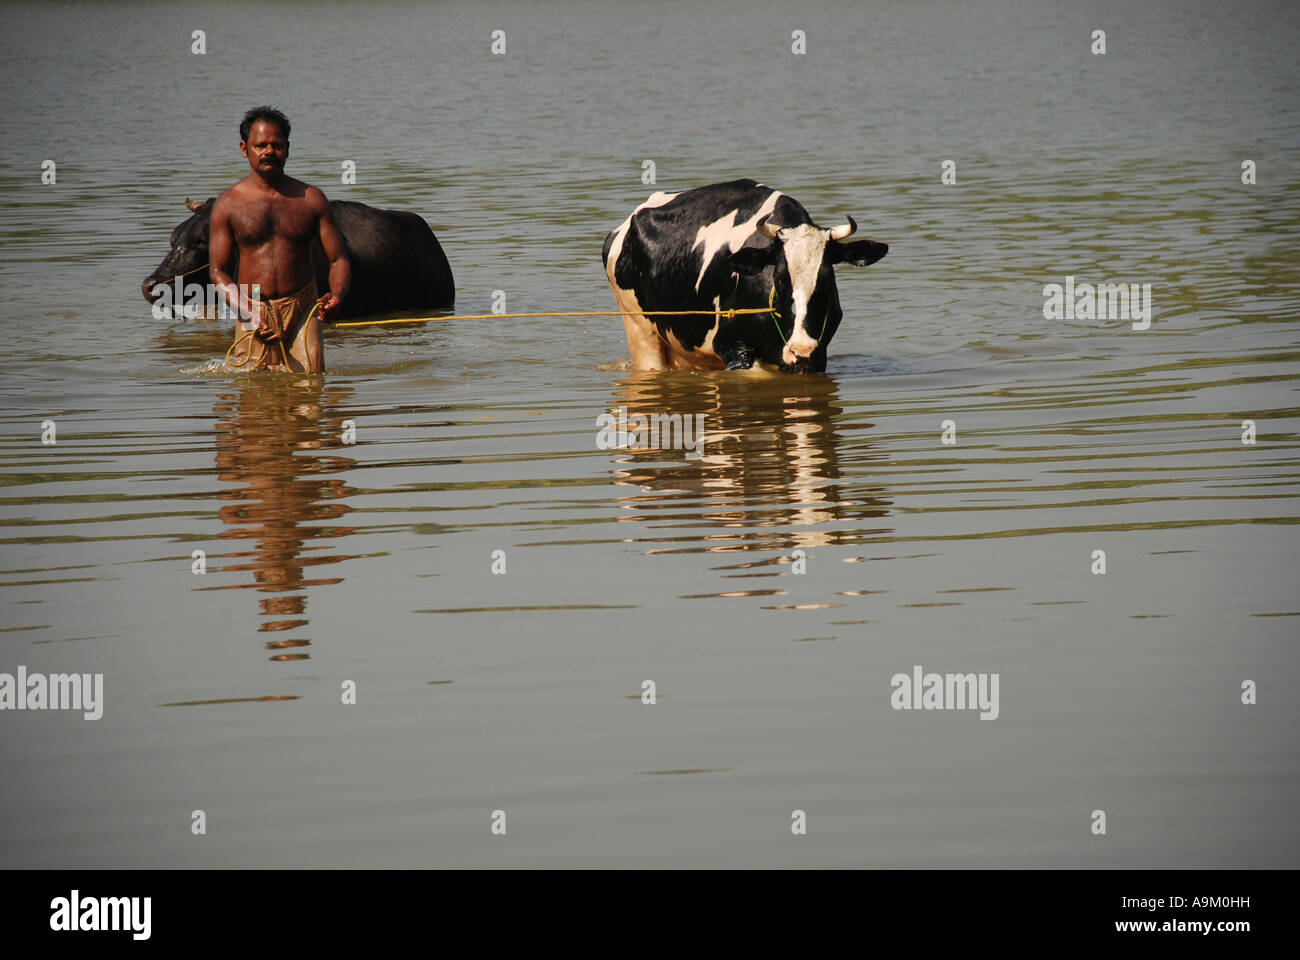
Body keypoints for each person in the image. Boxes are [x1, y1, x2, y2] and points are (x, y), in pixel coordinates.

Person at [211, 107, 350, 372]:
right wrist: (249, 313)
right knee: (253, 402)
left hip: (303, 308)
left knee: (310, 389)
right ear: (244, 149)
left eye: (277, 145)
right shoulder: (228, 204)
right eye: (260, 145)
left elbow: (338, 258)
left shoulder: (311, 198)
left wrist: (338, 295)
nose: (269, 151)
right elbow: (219, 272)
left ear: (288, 148)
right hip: (252, 307)